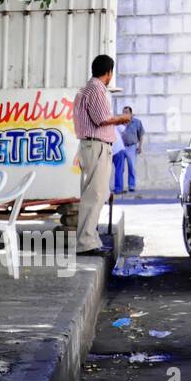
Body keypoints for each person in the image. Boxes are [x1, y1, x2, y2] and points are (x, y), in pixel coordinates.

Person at [73, 54, 131, 255]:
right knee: (95, 194)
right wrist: (122, 119)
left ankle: (91, 239)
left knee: (95, 194)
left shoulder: (86, 89)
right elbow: (101, 119)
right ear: (109, 72)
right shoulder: (97, 89)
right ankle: (85, 242)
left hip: (91, 146)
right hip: (96, 146)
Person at [112, 105, 145, 194]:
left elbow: (141, 135)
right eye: (123, 112)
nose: (125, 114)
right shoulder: (120, 122)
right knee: (120, 168)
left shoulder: (137, 122)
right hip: (121, 148)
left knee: (132, 167)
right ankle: (120, 186)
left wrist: (140, 146)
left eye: (126, 112)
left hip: (132, 147)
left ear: (131, 113)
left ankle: (131, 185)